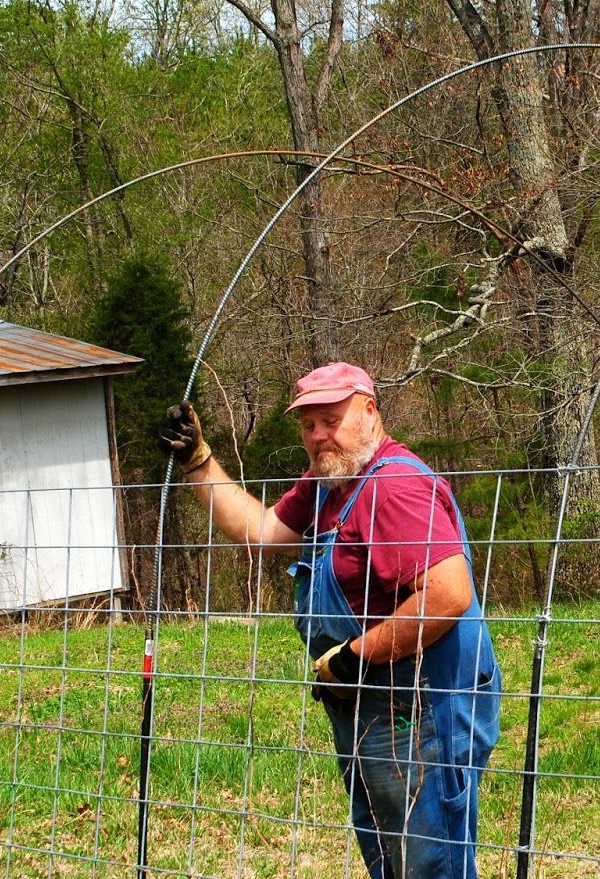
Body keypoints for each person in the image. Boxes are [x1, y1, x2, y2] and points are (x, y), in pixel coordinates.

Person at [158, 362, 500, 879]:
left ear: (369, 411)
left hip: (423, 709)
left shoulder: (395, 487)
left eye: (331, 421)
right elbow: (261, 531)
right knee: (392, 855)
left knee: (430, 864)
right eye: (308, 425)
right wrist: (199, 461)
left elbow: (448, 595)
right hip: (375, 704)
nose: (318, 436)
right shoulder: (330, 482)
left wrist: (352, 658)